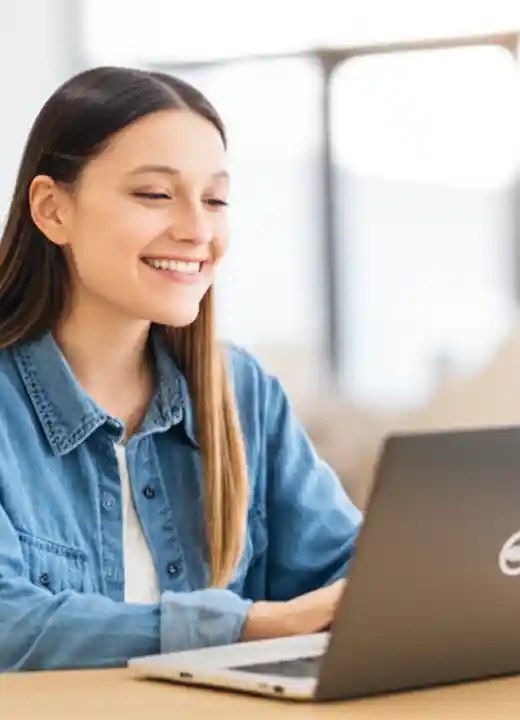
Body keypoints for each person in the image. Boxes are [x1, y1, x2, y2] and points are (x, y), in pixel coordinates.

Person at [0, 66, 361, 671]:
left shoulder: (241, 391)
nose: (198, 230)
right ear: (52, 209)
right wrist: (251, 626)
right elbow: (10, 624)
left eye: (215, 199)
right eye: (155, 194)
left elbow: (354, 569)